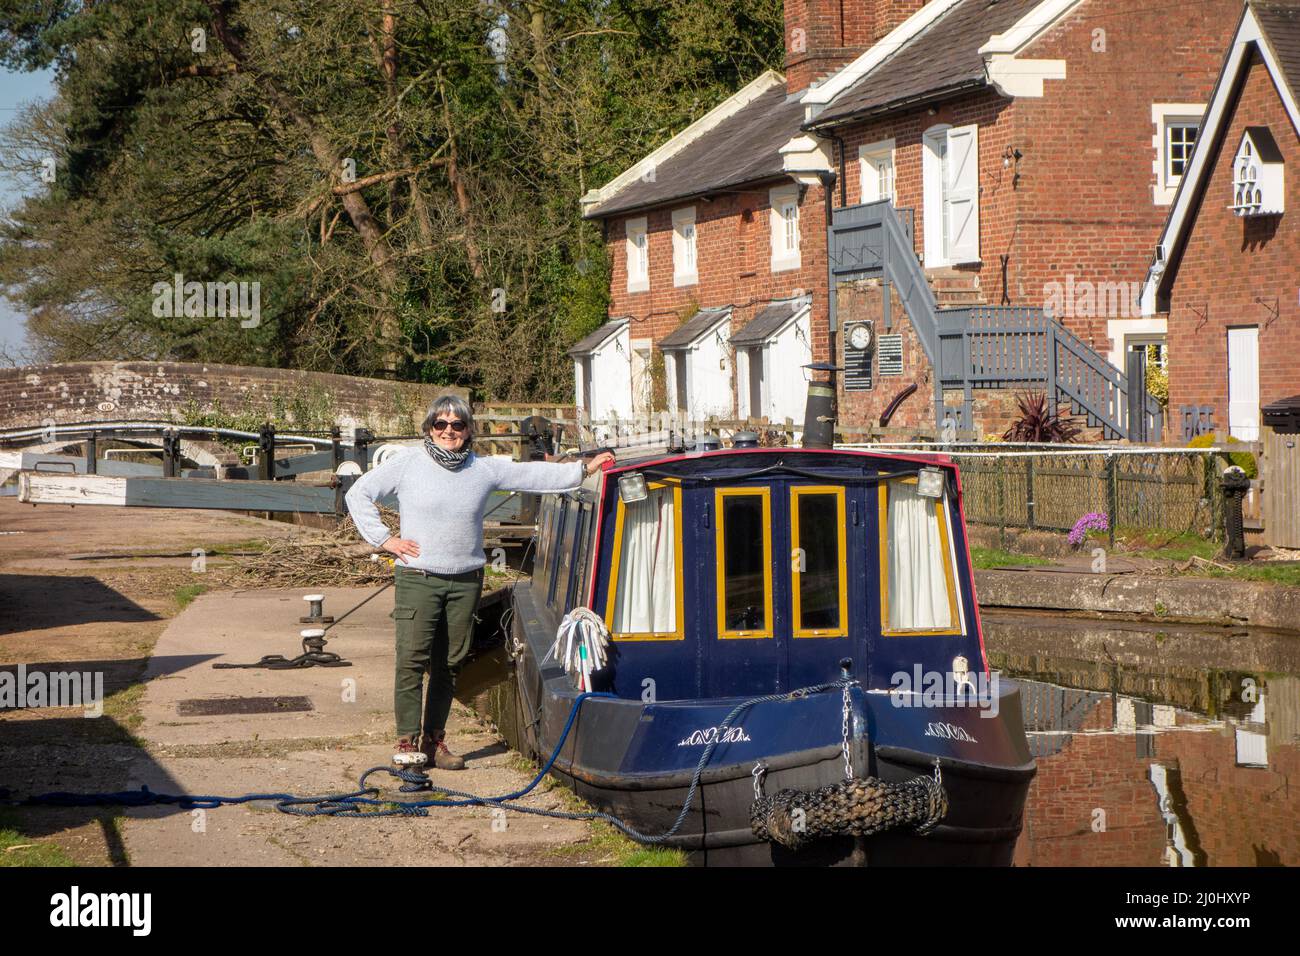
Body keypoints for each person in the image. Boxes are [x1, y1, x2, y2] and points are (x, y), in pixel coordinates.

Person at [345, 395, 613, 769]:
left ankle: (435, 741)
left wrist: (583, 469)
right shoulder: (407, 464)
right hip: (418, 578)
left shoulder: (482, 468)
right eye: (441, 424)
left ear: (469, 430)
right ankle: (406, 742)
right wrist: (385, 540)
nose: (449, 431)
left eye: (457, 425)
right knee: (411, 660)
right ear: (429, 429)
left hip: (466, 579)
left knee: (450, 663)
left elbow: (530, 475)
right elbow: (358, 493)